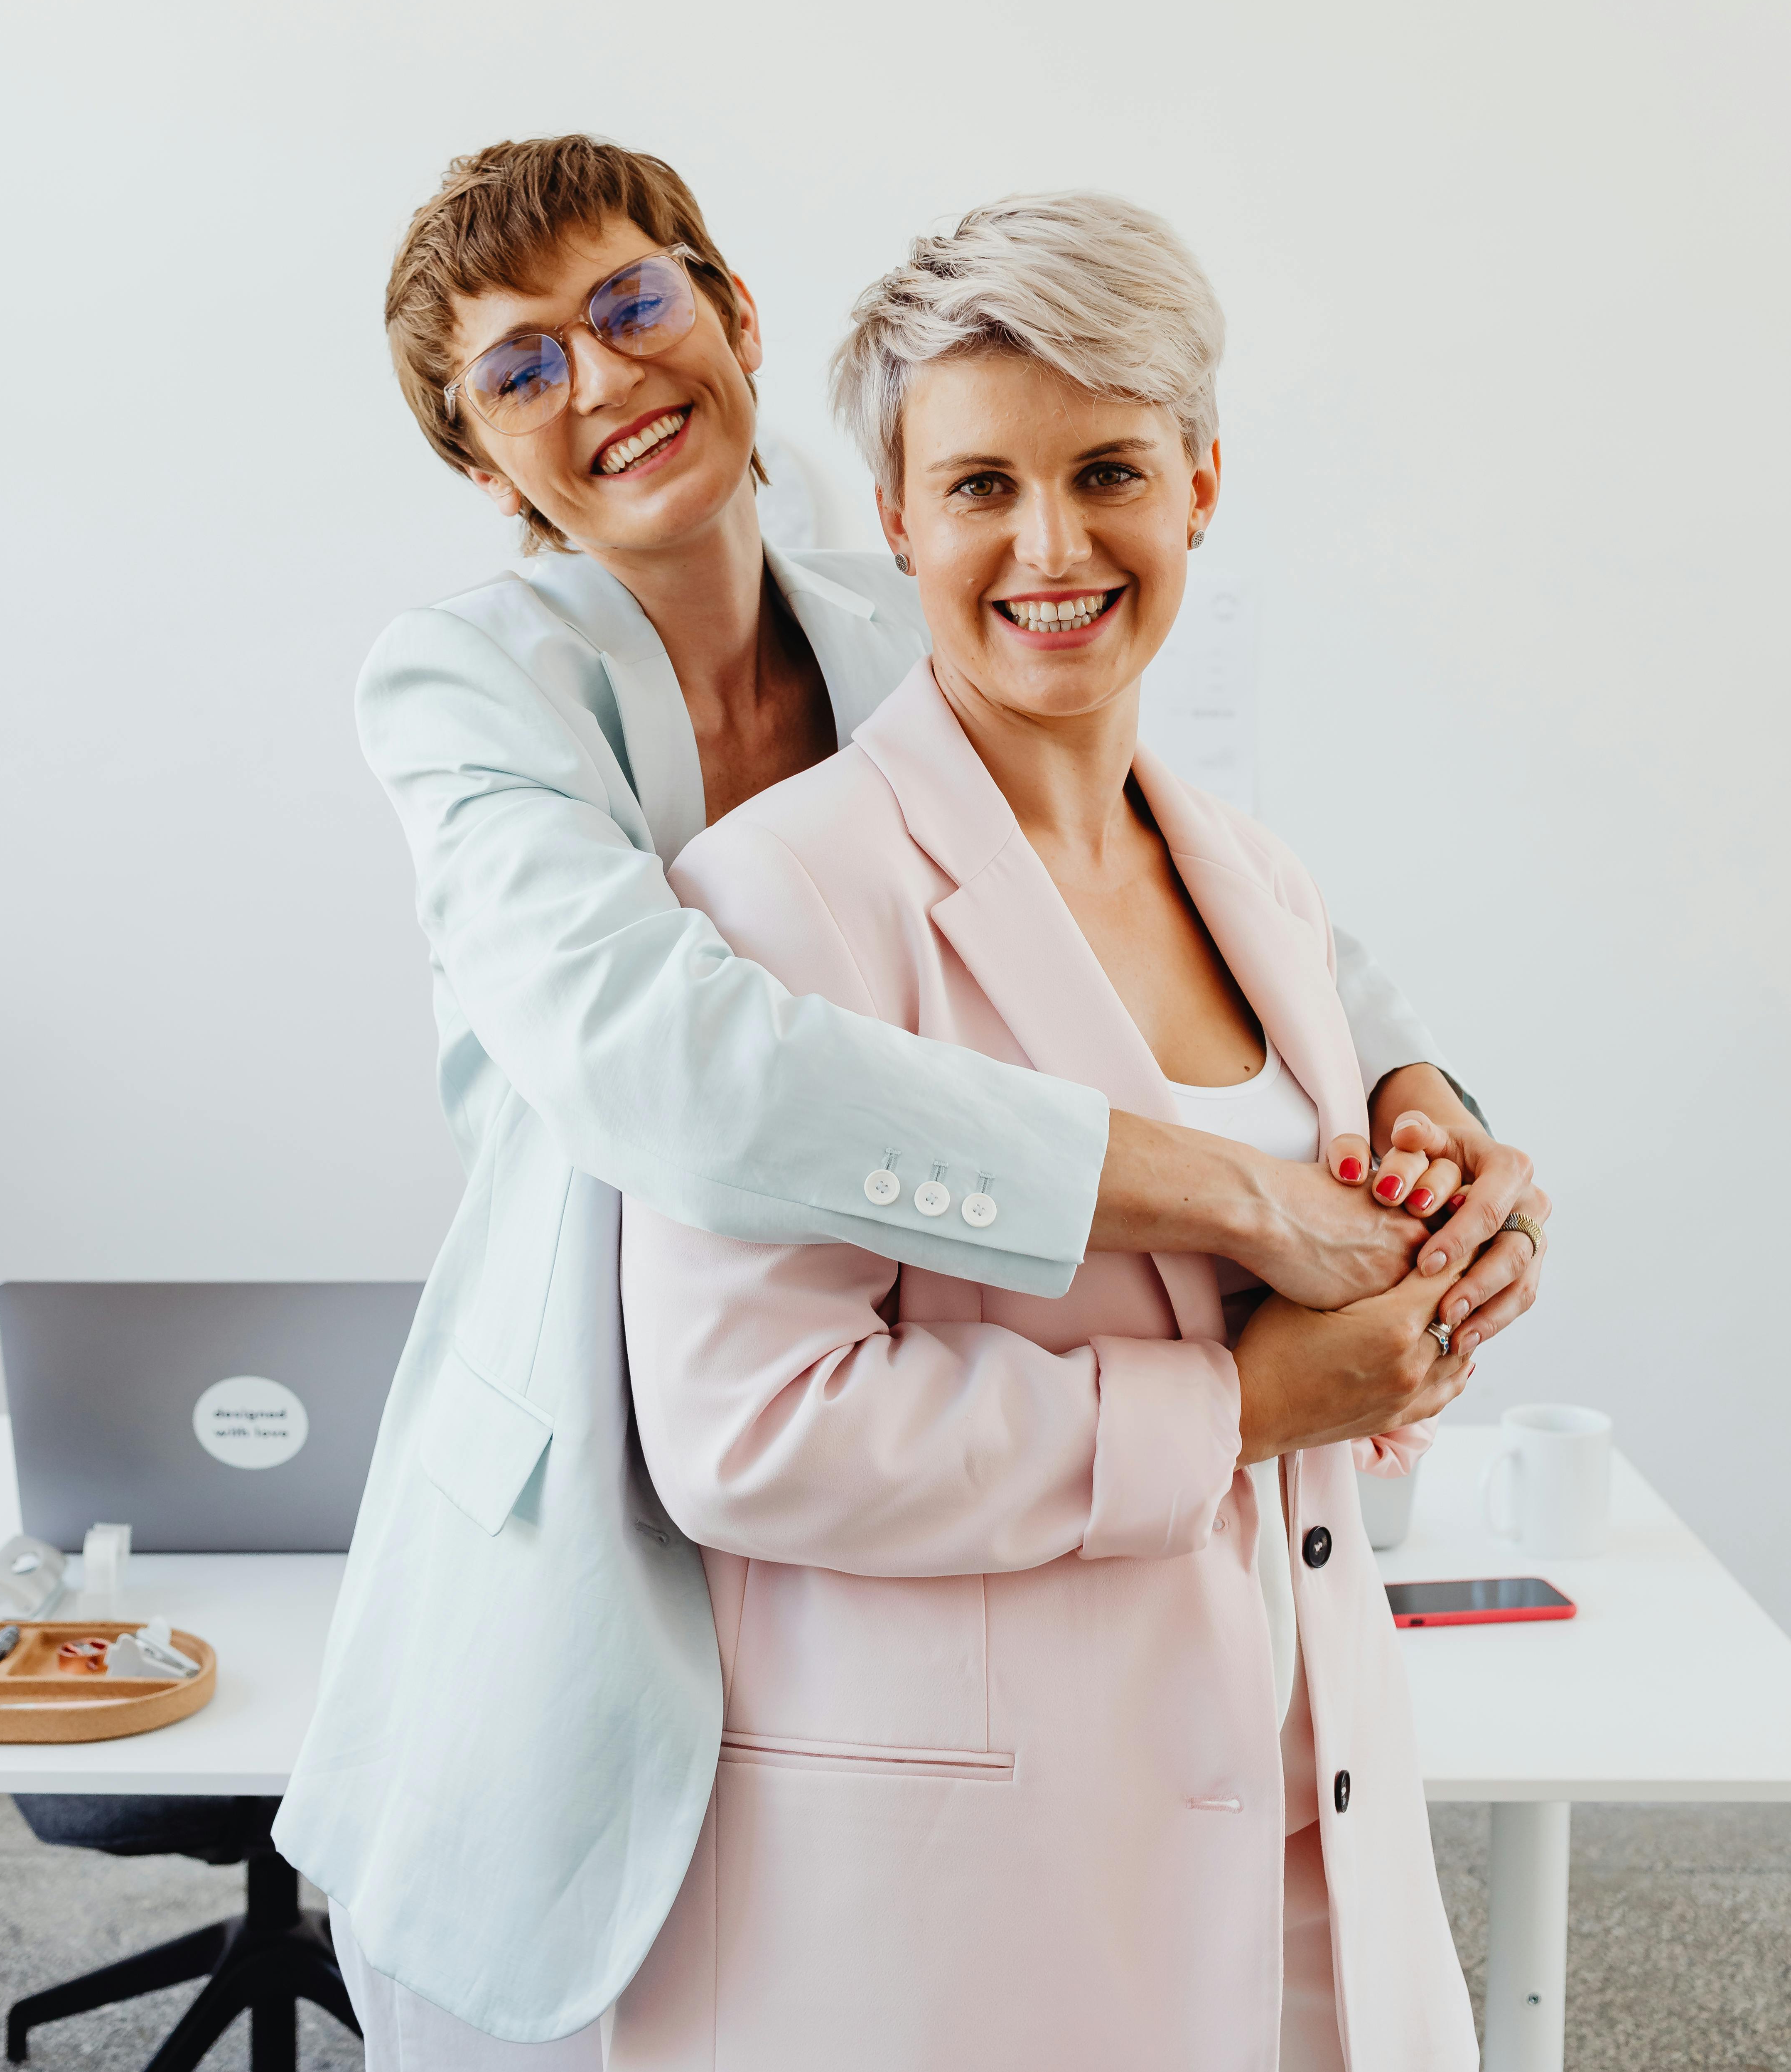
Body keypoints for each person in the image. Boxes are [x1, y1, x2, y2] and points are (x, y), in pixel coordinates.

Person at [273, 137, 1546, 2055]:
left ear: (731, 311)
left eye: (632, 304)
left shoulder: (918, 606)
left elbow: (1224, 891)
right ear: (478, 459)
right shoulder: (471, 687)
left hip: (1018, 1614)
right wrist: (1224, 1201)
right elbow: (677, 1069)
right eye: (520, 369)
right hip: (614, 1472)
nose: (603, 380)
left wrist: (1418, 1096)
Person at [611, 193, 1483, 2068]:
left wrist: (1435, 1256)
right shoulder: (788, 893)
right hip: (977, 1872)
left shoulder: (1255, 877)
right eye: (984, 485)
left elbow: (1294, 1303)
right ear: (900, 518)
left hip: (1300, 1788)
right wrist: (1236, 1410)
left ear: (1200, 487)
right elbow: (747, 1432)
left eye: (1107, 470)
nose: (1052, 544)